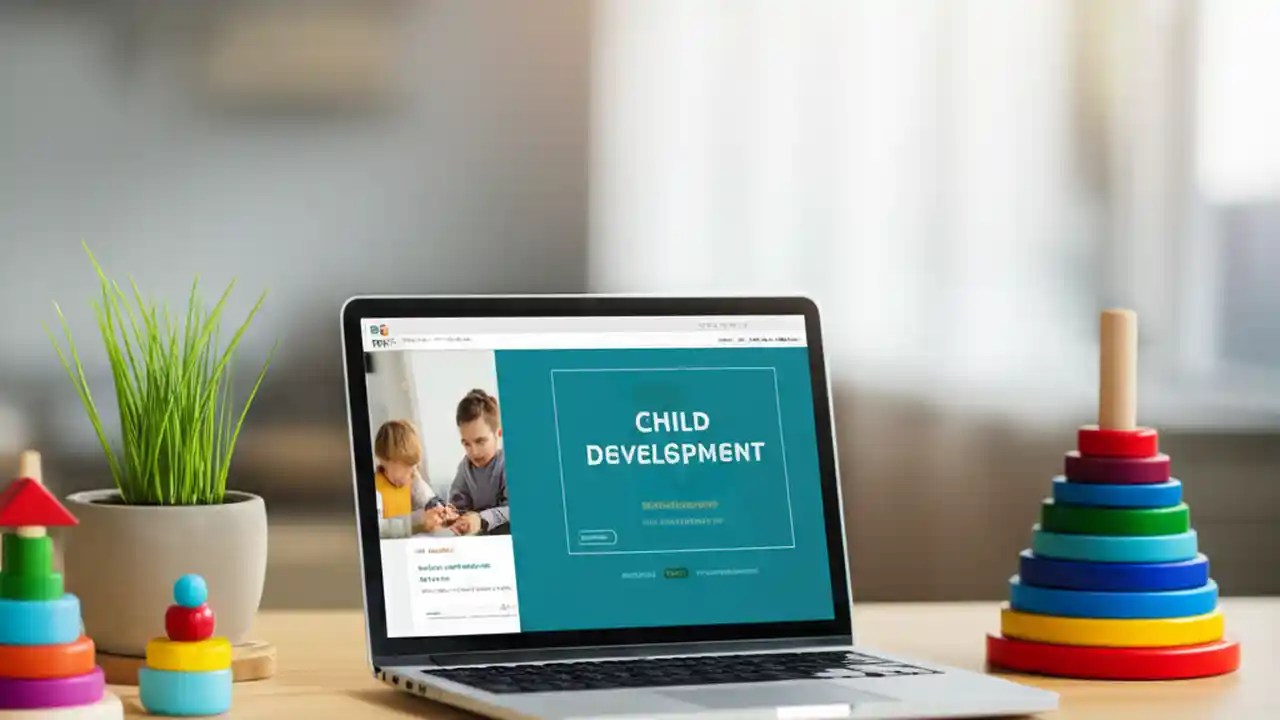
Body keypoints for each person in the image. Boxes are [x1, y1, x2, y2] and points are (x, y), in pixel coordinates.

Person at [373, 419, 454, 534]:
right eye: (407, 466)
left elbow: (429, 501)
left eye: (414, 467)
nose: (412, 473)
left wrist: (441, 512)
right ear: (384, 460)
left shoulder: (413, 480)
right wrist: (416, 522)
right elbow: (378, 528)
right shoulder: (375, 489)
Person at [448, 389, 509, 535]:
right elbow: (457, 505)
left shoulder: (507, 464)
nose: (473, 452)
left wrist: (481, 519)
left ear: (498, 434)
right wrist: (451, 514)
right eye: (466, 444)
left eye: (480, 441)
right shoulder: (465, 467)